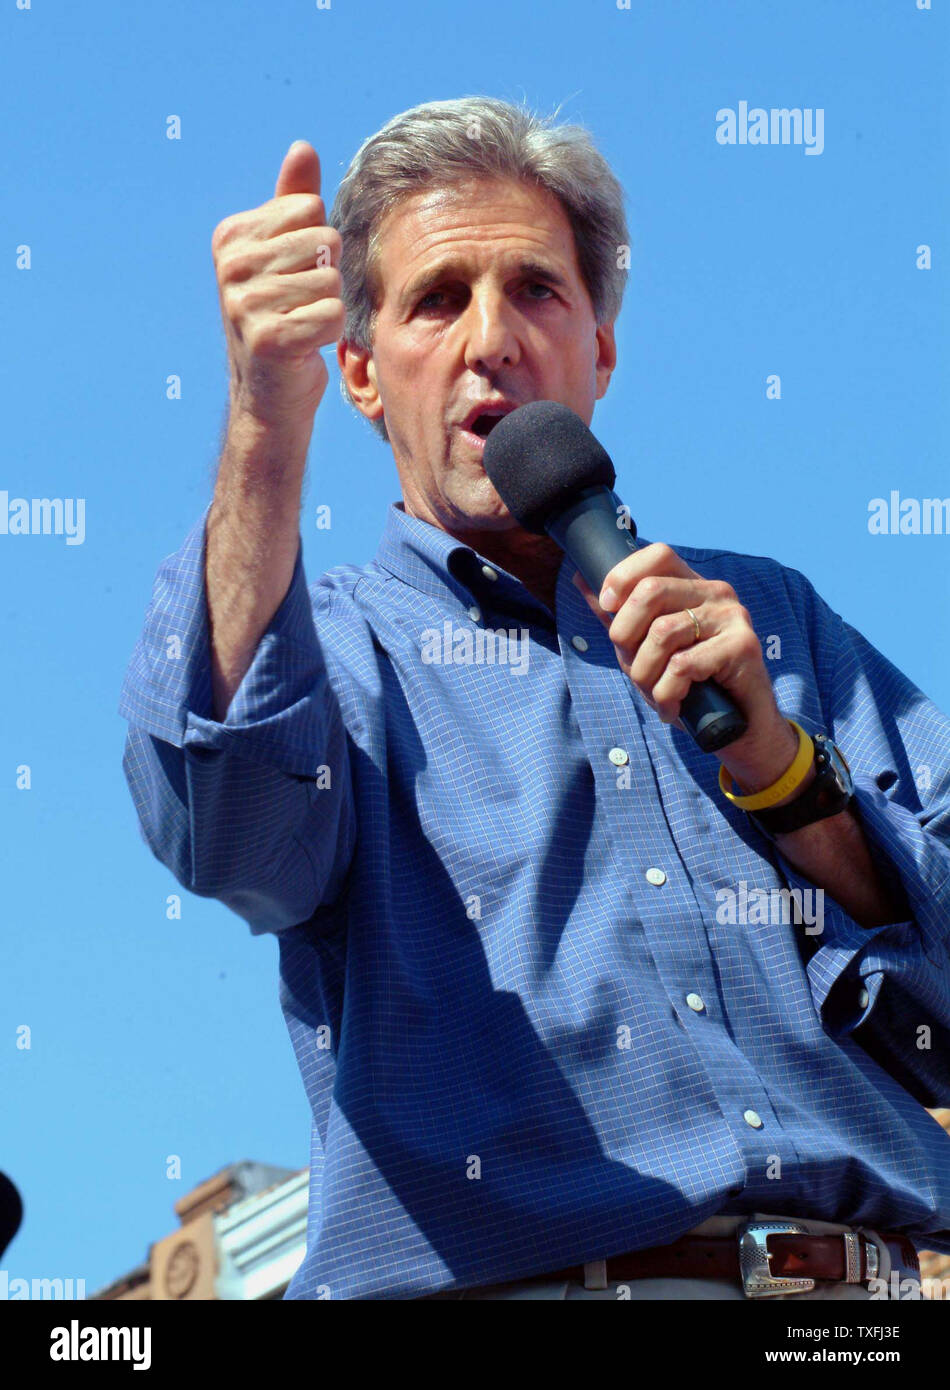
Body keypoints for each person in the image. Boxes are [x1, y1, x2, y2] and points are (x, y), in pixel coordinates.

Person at [118, 96, 950, 1301]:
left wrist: (782, 772)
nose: (490, 337)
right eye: (436, 299)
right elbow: (228, 832)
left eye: (536, 292)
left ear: (599, 352)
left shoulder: (767, 618)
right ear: (356, 371)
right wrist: (261, 428)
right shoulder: (333, 650)